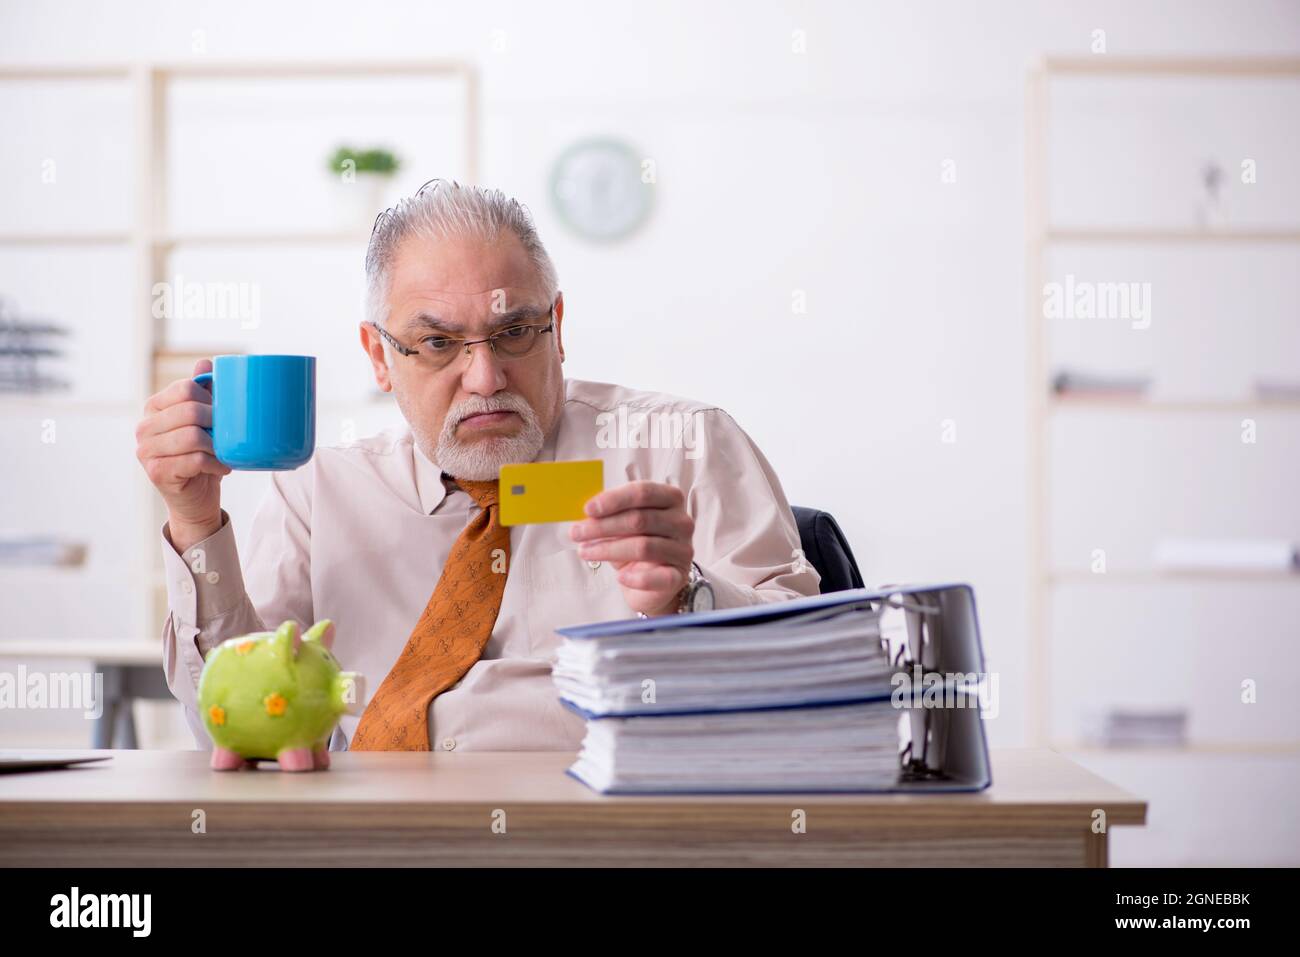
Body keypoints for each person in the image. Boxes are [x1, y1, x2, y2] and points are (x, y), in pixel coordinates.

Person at [134, 180, 819, 755]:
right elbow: (233, 731)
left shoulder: (682, 445)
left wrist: (688, 598)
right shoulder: (317, 493)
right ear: (378, 355)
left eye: (514, 332)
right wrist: (196, 524)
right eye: (437, 343)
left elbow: (813, 675)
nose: (485, 377)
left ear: (557, 323)